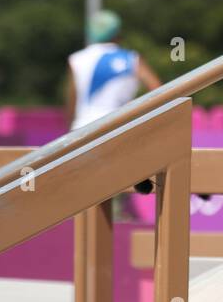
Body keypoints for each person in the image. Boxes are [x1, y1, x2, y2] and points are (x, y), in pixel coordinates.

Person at [65, 10, 162, 196]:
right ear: (118, 33)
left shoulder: (77, 59)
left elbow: (72, 98)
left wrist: (68, 128)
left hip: (83, 130)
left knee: (88, 193)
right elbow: (158, 90)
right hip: (119, 128)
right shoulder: (131, 58)